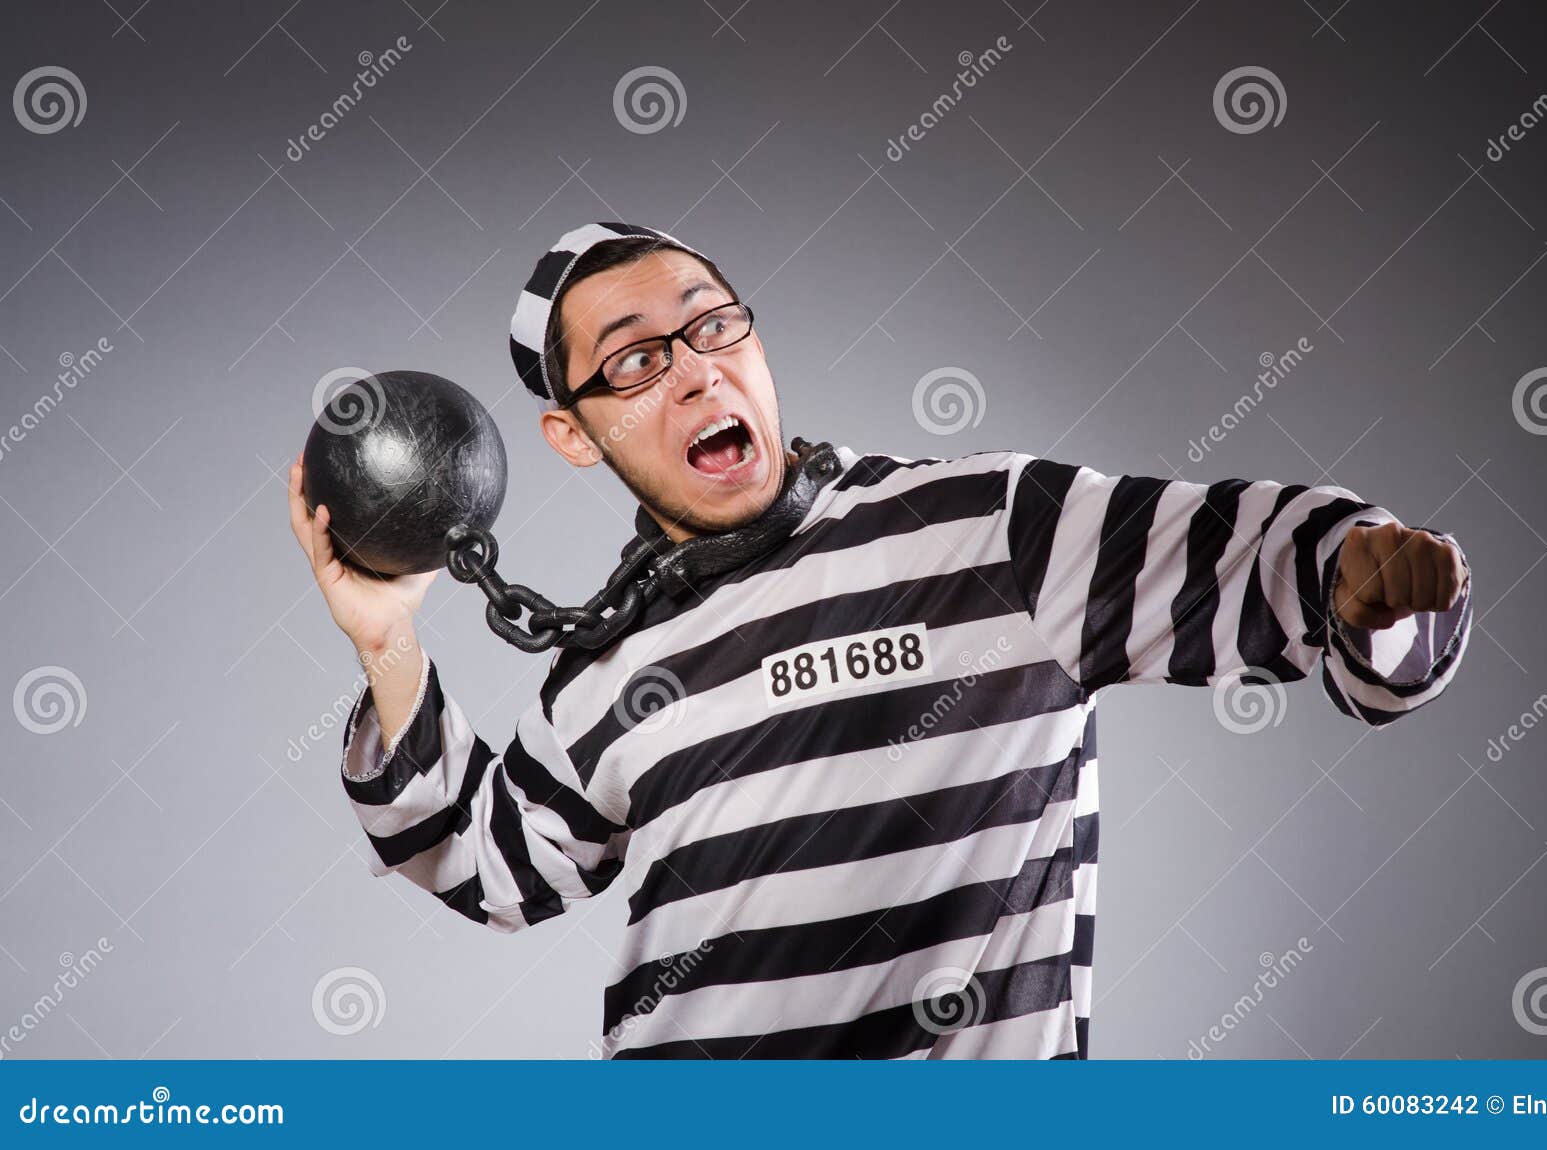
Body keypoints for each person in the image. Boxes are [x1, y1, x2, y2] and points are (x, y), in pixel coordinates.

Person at [286, 221, 1472, 1058]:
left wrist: (1361, 577)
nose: (697, 368)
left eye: (712, 325)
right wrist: (386, 643)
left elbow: (1272, 564)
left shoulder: (994, 529)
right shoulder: (603, 669)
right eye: (639, 360)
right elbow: (492, 870)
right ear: (573, 435)